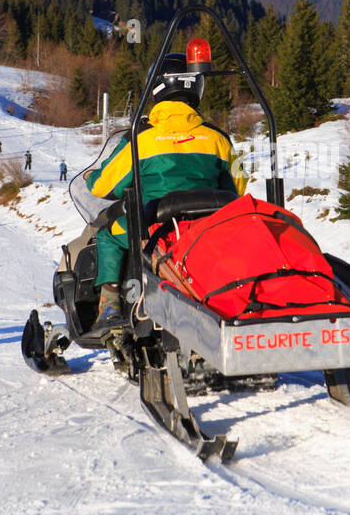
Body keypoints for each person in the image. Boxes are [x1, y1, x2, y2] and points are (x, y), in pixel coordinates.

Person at [85, 49, 246, 330]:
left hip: (153, 230)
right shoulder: (218, 139)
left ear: (156, 86)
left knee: (108, 235)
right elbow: (239, 188)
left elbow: (102, 186)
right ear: (197, 87)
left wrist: (91, 177)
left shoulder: (142, 138)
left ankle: (109, 305)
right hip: (205, 232)